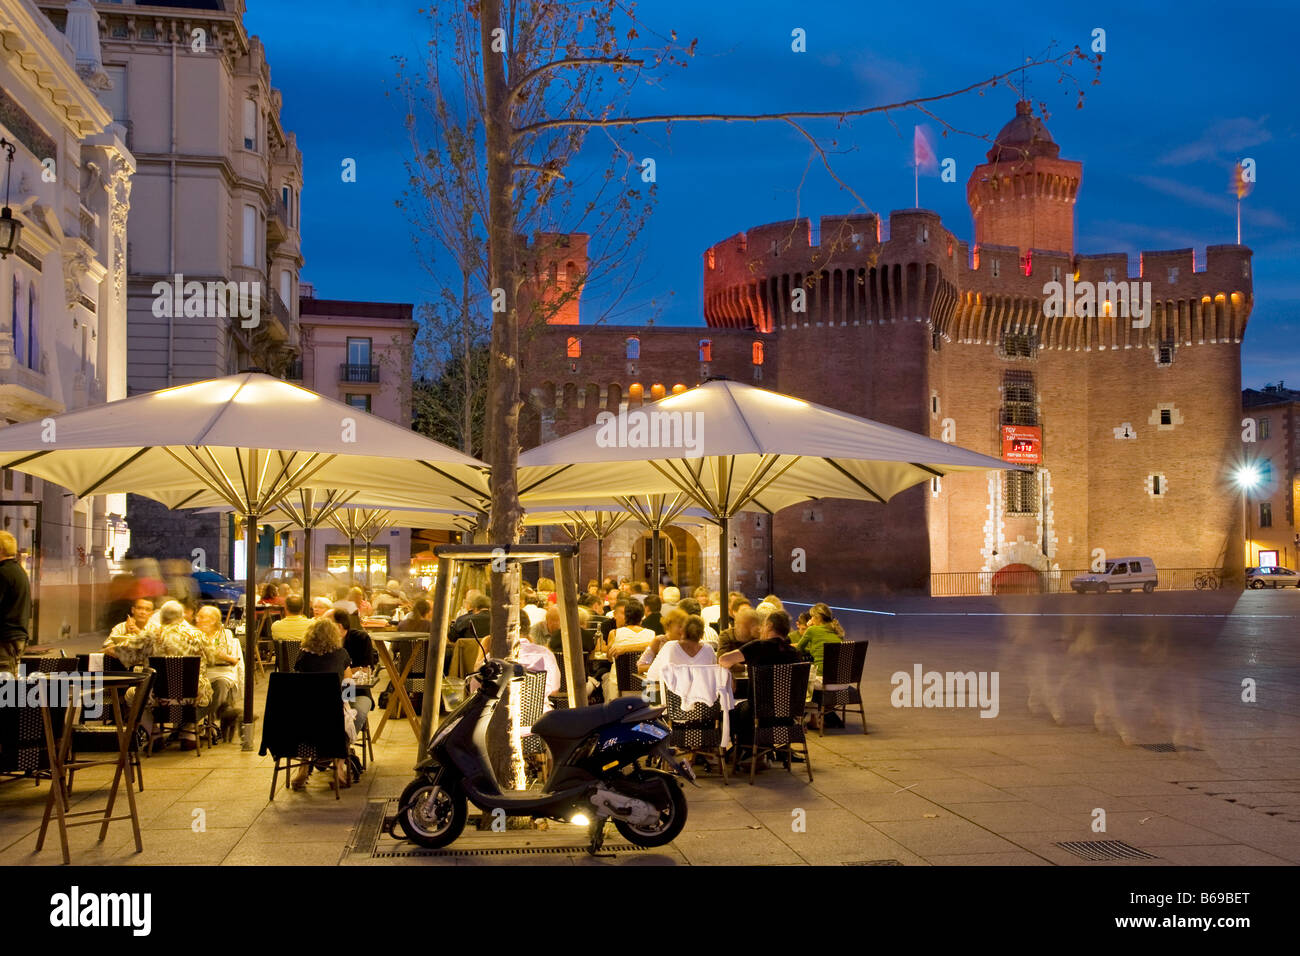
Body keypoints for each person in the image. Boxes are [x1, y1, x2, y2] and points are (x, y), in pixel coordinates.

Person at [292, 617, 364, 791]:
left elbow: (298, 683)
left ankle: (303, 768)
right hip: (332, 717)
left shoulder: (302, 655)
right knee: (348, 720)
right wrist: (348, 702)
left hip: (305, 716)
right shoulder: (342, 654)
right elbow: (348, 686)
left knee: (310, 723)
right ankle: (339, 769)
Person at [718, 611, 803, 748]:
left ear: (769, 626)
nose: (761, 629)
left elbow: (723, 659)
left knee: (730, 712)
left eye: (763, 625)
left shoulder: (757, 647)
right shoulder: (795, 654)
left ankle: (747, 753)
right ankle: (763, 752)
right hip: (788, 717)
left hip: (757, 715)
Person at [195, 604, 242, 740]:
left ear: (213, 620)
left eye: (202, 617)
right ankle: (226, 713)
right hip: (199, 672)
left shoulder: (224, 634)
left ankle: (205, 721)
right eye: (198, 616)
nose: (198, 619)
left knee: (221, 684)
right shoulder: (193, 634)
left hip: (220, 670)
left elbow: (220, 652)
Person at [637, 610, 716, 678]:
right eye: (680, 626)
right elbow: (641, 666)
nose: (683, 629)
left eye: (685, 626)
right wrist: (664, 668)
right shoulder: (660, 641)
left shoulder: (695, 645)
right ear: (669, 626)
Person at [0, 531, 30, 675]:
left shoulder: (3, 573)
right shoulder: (19, 571)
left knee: (4, 683)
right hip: (17, 637)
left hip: (5, 639)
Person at [796, 602, 845, 676]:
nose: (811, 619)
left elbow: (798, 649)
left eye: (812, 617)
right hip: (841, 679)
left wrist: (809, 627)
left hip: (821, 678)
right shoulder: (837, 630)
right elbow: (820, 648)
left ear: (818, 618)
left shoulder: (812, 630)